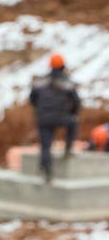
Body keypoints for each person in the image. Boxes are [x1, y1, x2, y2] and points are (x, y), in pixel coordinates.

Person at [30, 53, 80, 183]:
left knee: (45, 146)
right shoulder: (66, 82)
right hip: (61, 116)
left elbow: (32, 99)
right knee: (73, 123)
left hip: (43, 118)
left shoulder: (40, 81)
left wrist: (40, 110)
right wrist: (72, 113)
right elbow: (76, 102)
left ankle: (46, 172)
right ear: (63, 66)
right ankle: (68, 150)